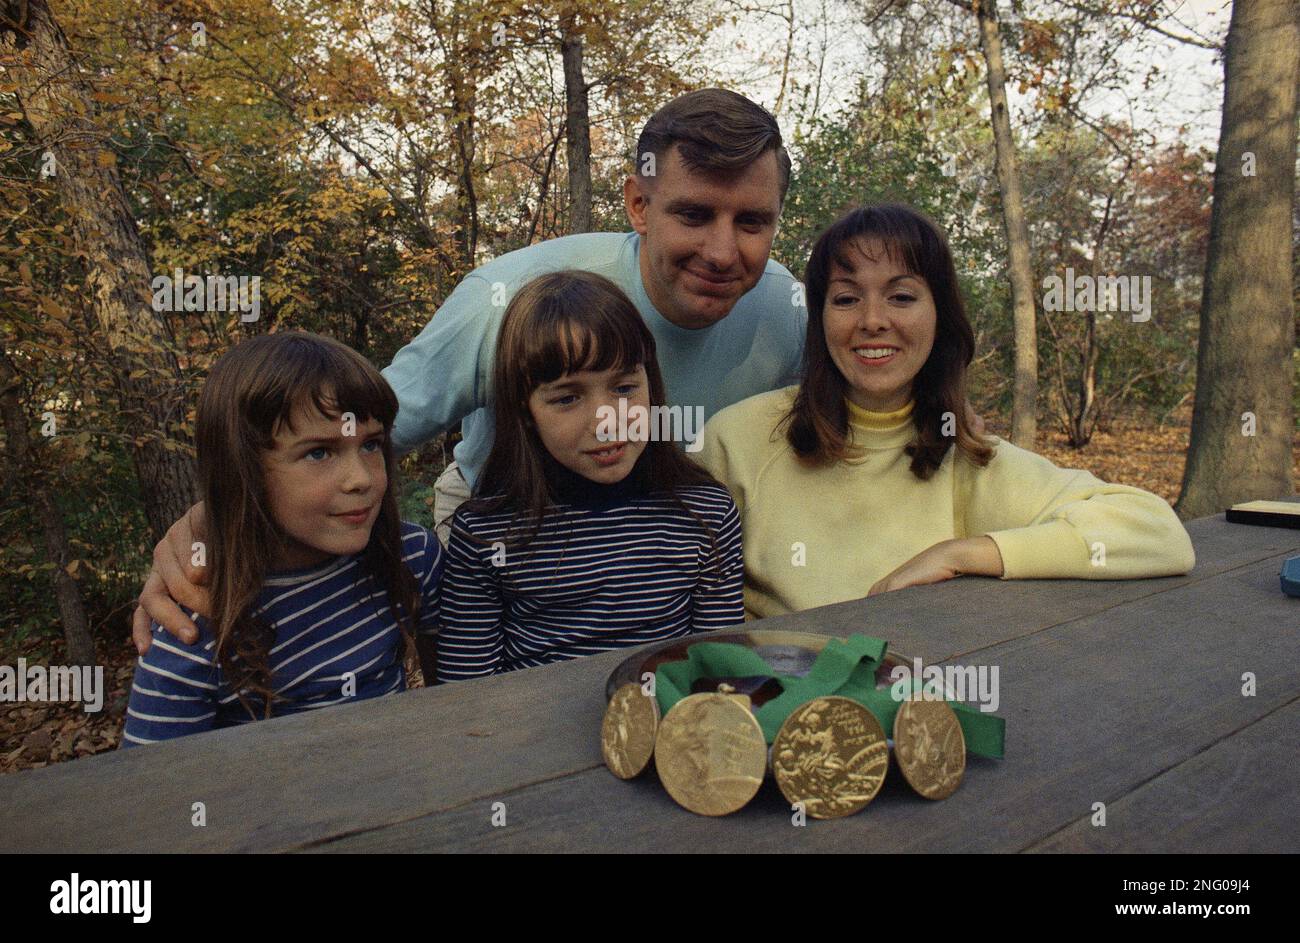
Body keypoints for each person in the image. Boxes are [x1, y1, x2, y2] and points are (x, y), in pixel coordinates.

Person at [131, 87, 805, 653]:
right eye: (693, 213)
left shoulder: (788, 309)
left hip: (671, 542)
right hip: (512, 532)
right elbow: (365, 426)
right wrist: (207, 525)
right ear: (638, 205)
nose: (723, 250)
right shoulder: (515, 298)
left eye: (751, 221)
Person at [698, 203, 1196, 620]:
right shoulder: (738, 440)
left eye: (901, 296)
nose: (873, 321)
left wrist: (963, 554)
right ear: (821, 318)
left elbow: (1160, 534)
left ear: (941, 315)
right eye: (847, 298)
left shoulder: (967, 457)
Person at [121, 333, 443, 745]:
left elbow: (455, 699)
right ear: (244, 469)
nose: (361, 479)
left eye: (371, 445)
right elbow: (151, 790)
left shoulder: (411, 558)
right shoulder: (196, 622)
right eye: (319, 453)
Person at [437, 271, 744, 680]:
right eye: (567, 398)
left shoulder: (706, 515)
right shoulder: (484, 535)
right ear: (526, 413)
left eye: (623, 389)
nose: (608, 422)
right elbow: (467, 695)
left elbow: (719, 668)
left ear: (650, 385)